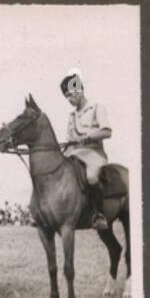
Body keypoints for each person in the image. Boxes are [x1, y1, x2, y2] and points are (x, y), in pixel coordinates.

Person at [59, 68, 112, 226]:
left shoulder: (97, 107)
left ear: (80, 90)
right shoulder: (72, 116)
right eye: (66, 96)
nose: (69, 99)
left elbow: (107, 132)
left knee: (91, 177)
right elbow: (70, 139)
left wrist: (85, 137)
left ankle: (99, 214)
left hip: (93, 153)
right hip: (73, 153)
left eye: (71, 94)